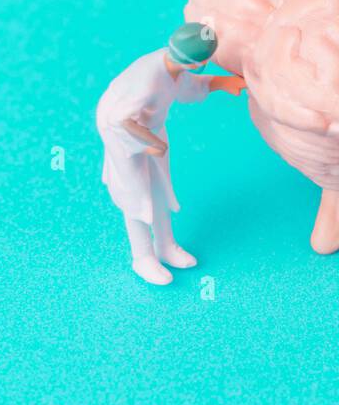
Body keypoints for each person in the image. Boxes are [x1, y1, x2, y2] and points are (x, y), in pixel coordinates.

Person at [96, 22, 246, 284]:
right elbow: (119, 119)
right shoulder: (148, 80)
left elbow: (185, 86)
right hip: (121, 133)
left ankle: (165, 246)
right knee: (136, 195)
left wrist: (221, 83)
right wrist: (150, 142)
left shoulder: (172, 65)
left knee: (159, 188)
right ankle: (143, 257)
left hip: (149, 127)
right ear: (196, 62)